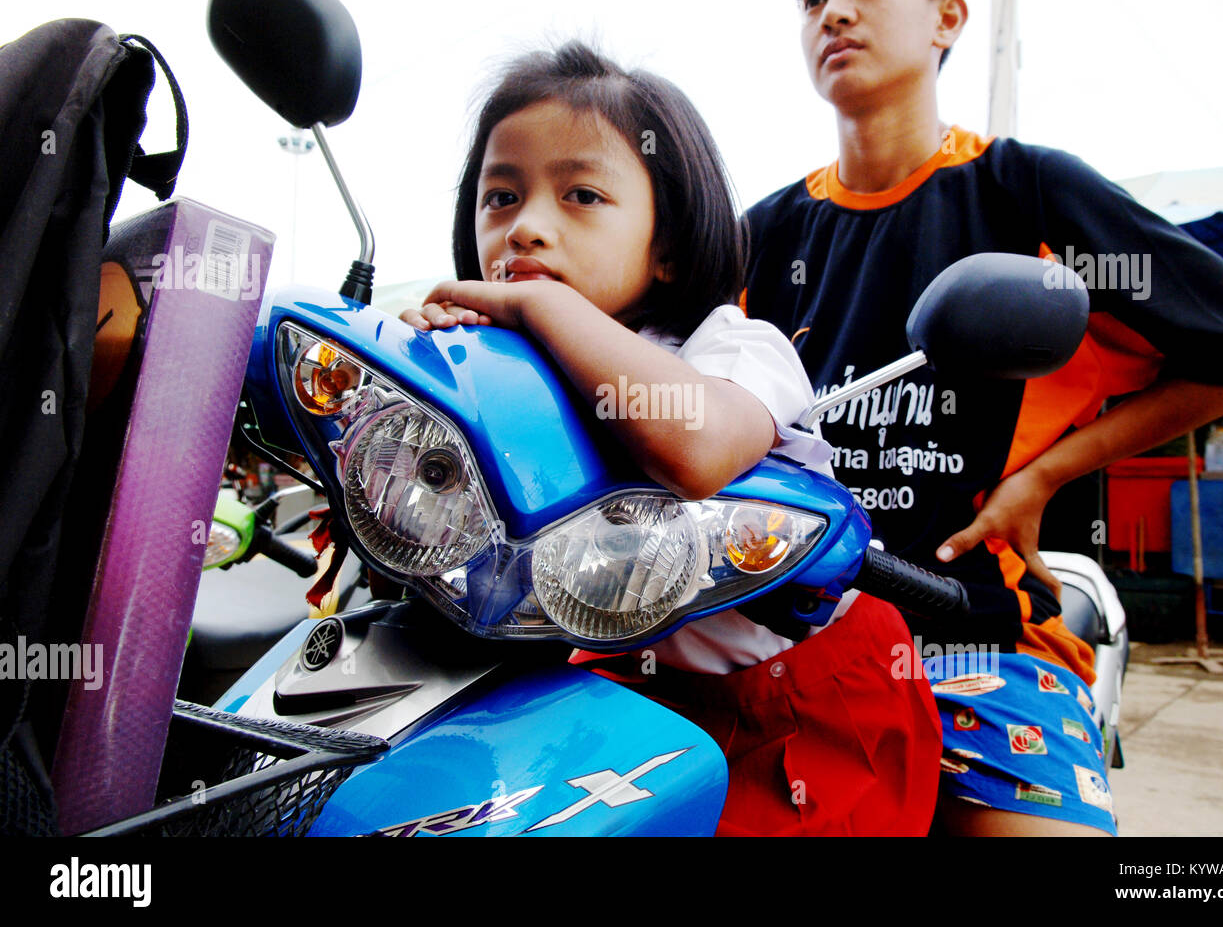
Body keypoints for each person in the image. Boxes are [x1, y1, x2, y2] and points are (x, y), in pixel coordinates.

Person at [742, 0, 1223, 835]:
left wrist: (1045, 475)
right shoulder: (764, 235)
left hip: (978, 637)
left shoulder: (1025, 192)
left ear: (948, 17)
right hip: (780, 644)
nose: (834, 12)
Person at [398, 42, 942, 836]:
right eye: (501, 197)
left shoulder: (732, 346)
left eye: (580, 194)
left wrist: (547, 310)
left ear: (670, 247)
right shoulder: (497, 368)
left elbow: (696, 449)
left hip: (789, 703)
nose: (525, 229)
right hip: (611, 689)